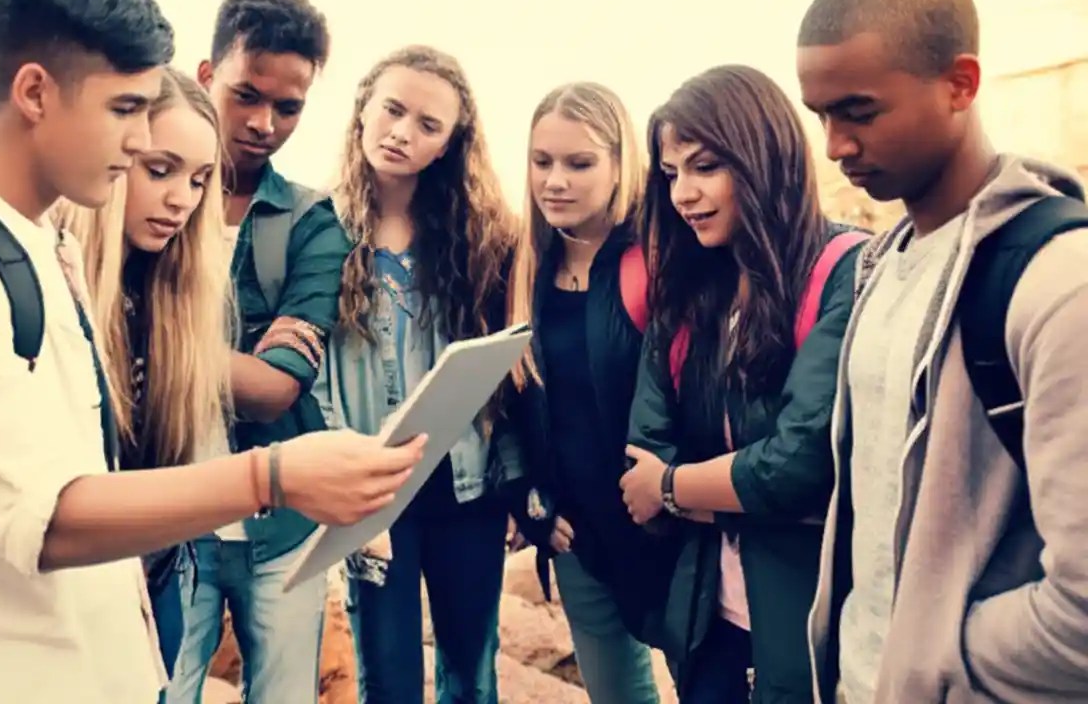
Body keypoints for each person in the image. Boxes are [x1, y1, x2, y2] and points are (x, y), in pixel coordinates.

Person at [0, 0, 422, 702]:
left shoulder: (46, 250)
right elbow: (46, 515)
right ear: (36, 92)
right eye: (125, 111)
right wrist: (274, 477)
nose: (140, 143)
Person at [797, 0, 1088, 702]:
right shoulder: (883, 263)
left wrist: (936, 654)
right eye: (822, 116)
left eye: (859, 112)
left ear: (961, 84)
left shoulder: (1058, 284)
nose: (836, 146)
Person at [620, 65, 862, 703]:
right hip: (706, 622)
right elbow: (645, 443)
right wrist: (720, 489)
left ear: (764, 159)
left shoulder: (842, 272)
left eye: (704, 167)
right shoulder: (687, 291)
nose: (682, 194)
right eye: (671, 174)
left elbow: (801, 462)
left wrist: (673, 489)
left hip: (803, 621)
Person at [311, 45, 518, 704]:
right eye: (393, 110)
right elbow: (308, 365)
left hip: (467, 490)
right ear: (364, 109)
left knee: (471, 676)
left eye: (428, 125)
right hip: (370, 494)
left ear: (450, 144)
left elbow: (505, 367)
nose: (402, 132)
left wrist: (513, 478)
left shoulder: (480, 234)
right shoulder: (315, 227)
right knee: (389, 679)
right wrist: (339, 468)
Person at [170, 0, 349, 702]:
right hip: (166, 516)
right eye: (246, 94)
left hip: (281, 532)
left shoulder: (311, 222)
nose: (263, 122)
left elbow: (279, 386)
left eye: (289, 107)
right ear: (208, 74)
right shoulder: (141, 200)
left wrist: (156, 346)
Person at [54, 66, 232, 688]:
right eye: (161, 170)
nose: (183, 198)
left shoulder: (176, 295)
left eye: (200, 181)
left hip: (159, 582)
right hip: (65, 603)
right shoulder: (52, 289)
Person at [502, 82, 662, 704]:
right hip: (576, 533)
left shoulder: (659, 259)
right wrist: (534, 503)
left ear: (621, 163)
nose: (555, 181)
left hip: (664, 523)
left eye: (579, 163)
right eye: (542, 162)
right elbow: (518, 408)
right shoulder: (523, 269)